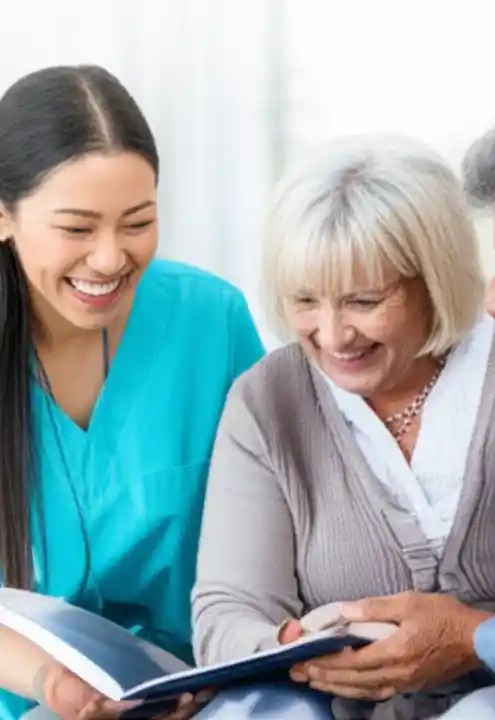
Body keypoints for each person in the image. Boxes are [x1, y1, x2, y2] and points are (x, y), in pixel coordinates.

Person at [190, 134, 495, 718]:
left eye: (364, 301)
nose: (333, 334)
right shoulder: (268, 401)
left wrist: (474, 645)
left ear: (435, 279)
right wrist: (297, 648)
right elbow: (228, 613)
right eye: (305, 301)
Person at [0, 65, 264, 720]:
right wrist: (60, 688)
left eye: (138, 222)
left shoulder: (211, 320)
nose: (111, 258)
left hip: (209, 686)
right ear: (3, 215)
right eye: (78, 229)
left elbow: (281, 519)